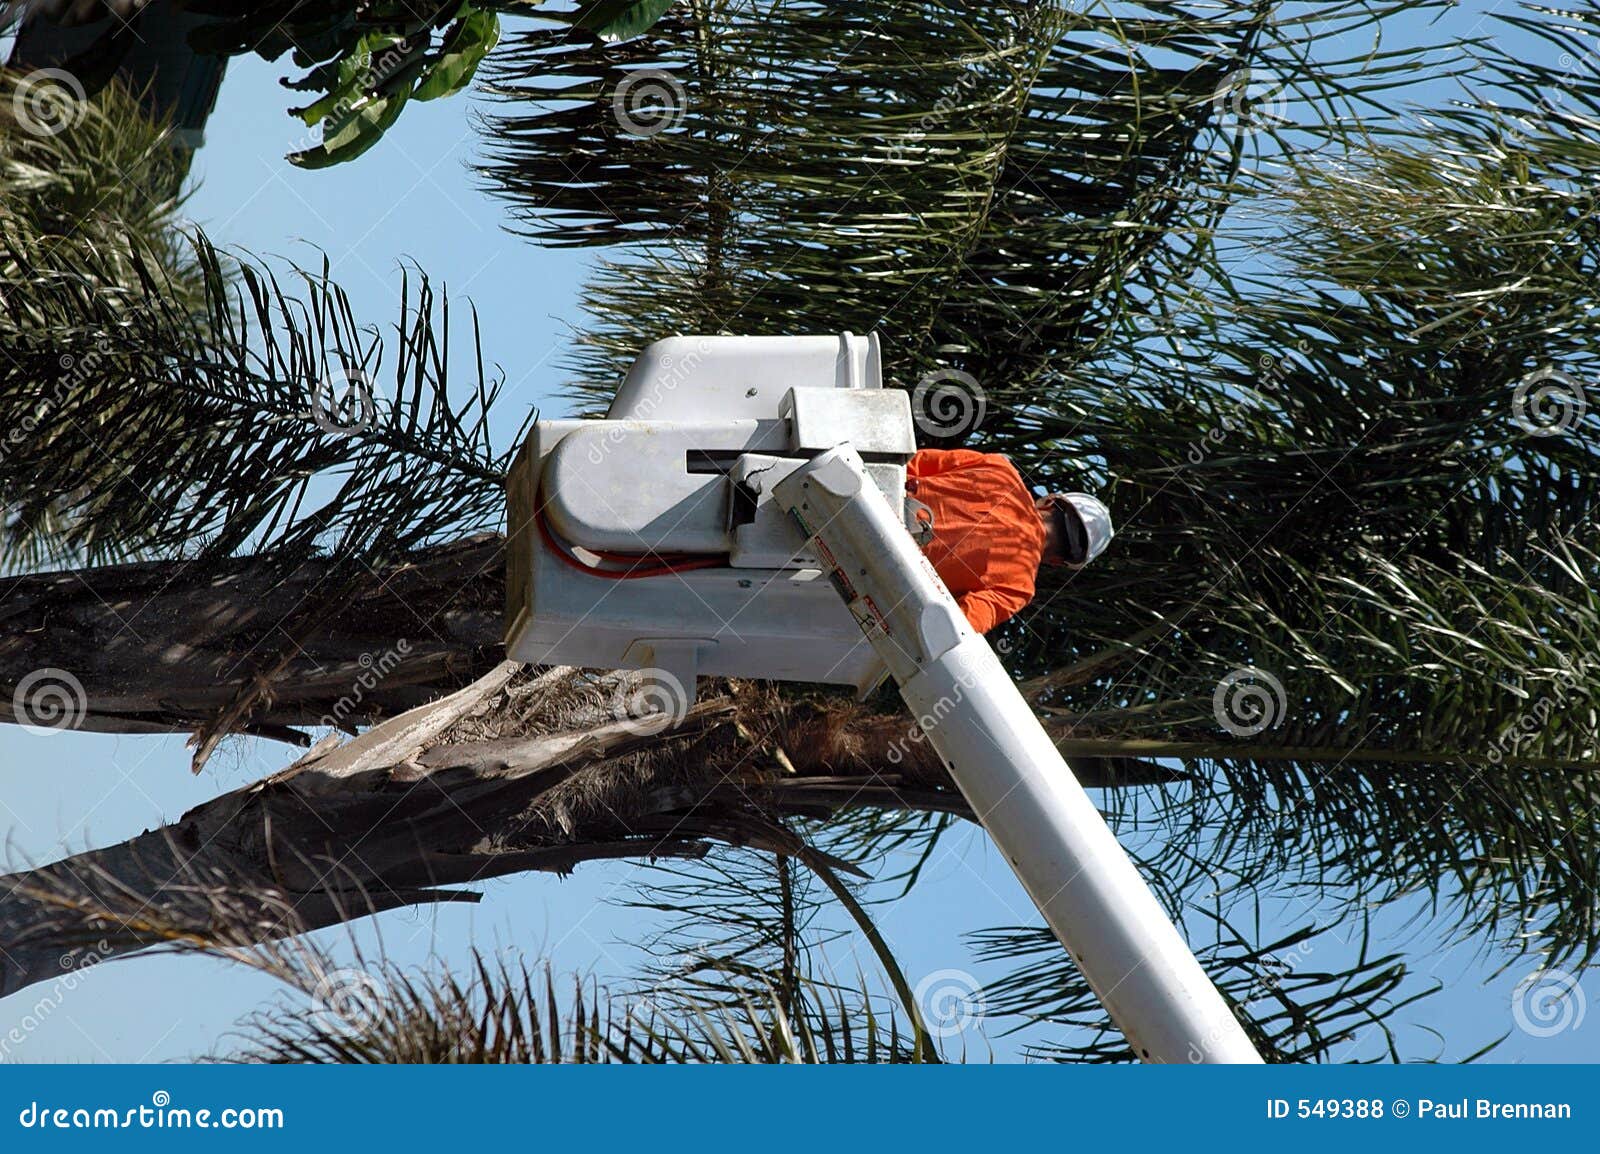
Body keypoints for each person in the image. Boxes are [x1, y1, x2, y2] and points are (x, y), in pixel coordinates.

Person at [906, 448, 1113, 635]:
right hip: (893, 569)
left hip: (885, 504)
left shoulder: (1000, 470)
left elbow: (906, 462)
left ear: (1049, 501)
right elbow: (957, 628)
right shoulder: (1018, 589)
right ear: (1058, 561)